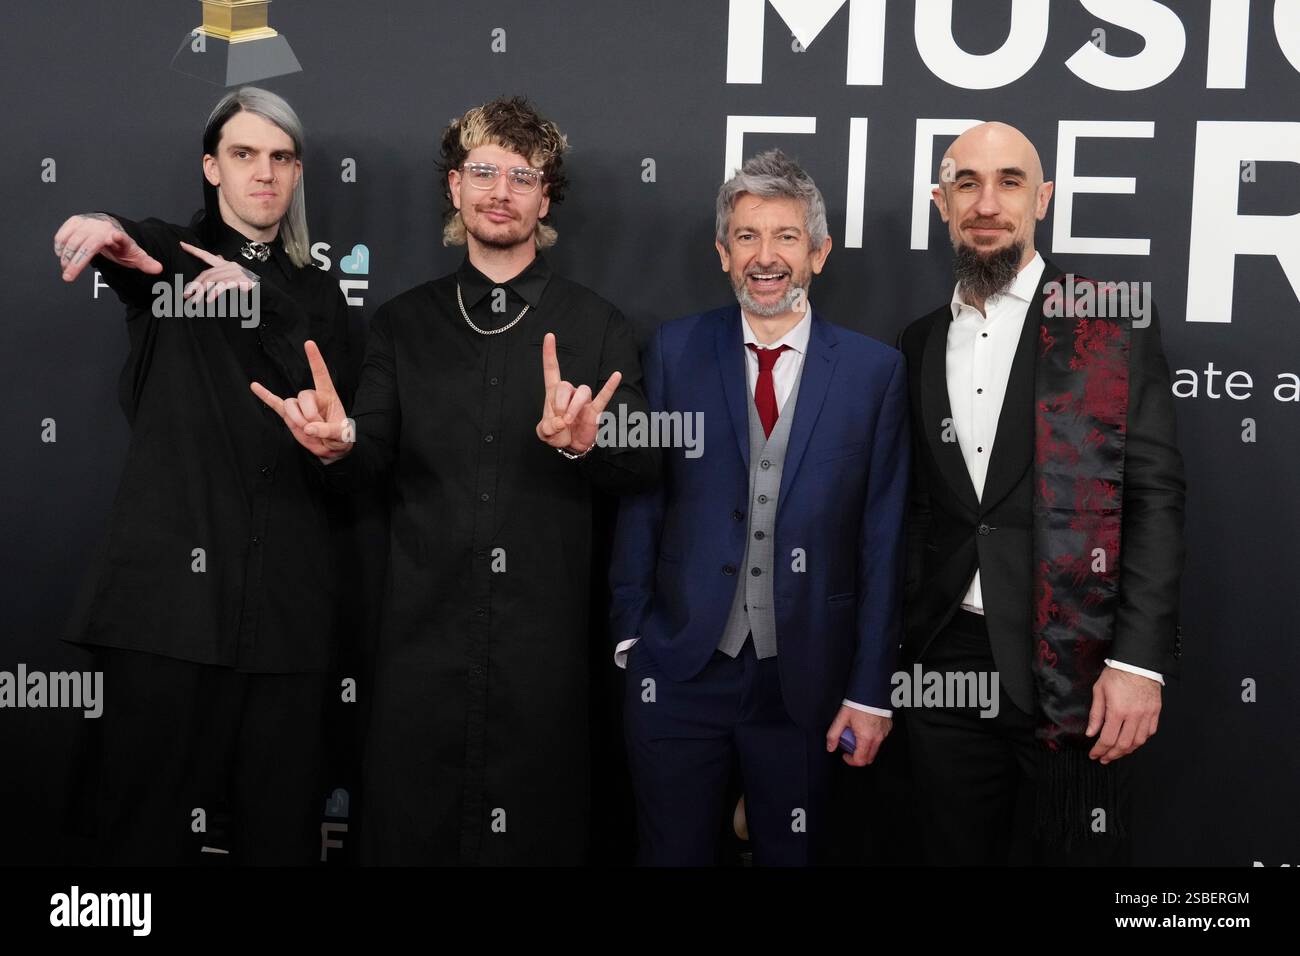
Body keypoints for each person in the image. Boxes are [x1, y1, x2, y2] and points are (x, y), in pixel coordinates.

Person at [254, 95, 658, 865]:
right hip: (419, 648)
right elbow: (366, 456)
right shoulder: (402, 324)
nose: (500, 190)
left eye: (522, 175)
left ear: (546, 197)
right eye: (483, 171)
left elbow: (643, 461)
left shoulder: (599, 324)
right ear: (454, 187)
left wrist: (585, 444)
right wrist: (334, 448)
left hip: (546, 655)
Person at [57, 87, 351, 864]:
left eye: (282, 157)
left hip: (287, 617)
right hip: (166, 613)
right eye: (244, 154)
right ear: (211, 168)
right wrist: (108, 231)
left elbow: (344, 420)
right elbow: (137, 253)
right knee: (133, 831)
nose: (265, 173)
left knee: (281, 833)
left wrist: (269, 307)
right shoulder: (171, 263)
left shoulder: (323, 298)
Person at [608, 149, 909, 865]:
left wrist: (871, 689)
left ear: (819, 253)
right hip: (680, 669)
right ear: (722, 252)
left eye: (785, 237)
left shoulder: (874, 373)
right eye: (746, 236)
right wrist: (632, 633)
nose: (765, 256)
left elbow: (883, 538)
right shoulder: (676, 349)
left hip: (807, 680)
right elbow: (644, 497)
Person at [898, 121, 1185, 865]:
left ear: (1043, 199)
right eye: (967, 183)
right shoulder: (918, 340)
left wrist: (1139, 662)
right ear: (942, 202)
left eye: (1010, 182)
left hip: (1077, 663)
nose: (986, 202)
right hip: (946, 666)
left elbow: (1153, 493)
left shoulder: (1109, 317)